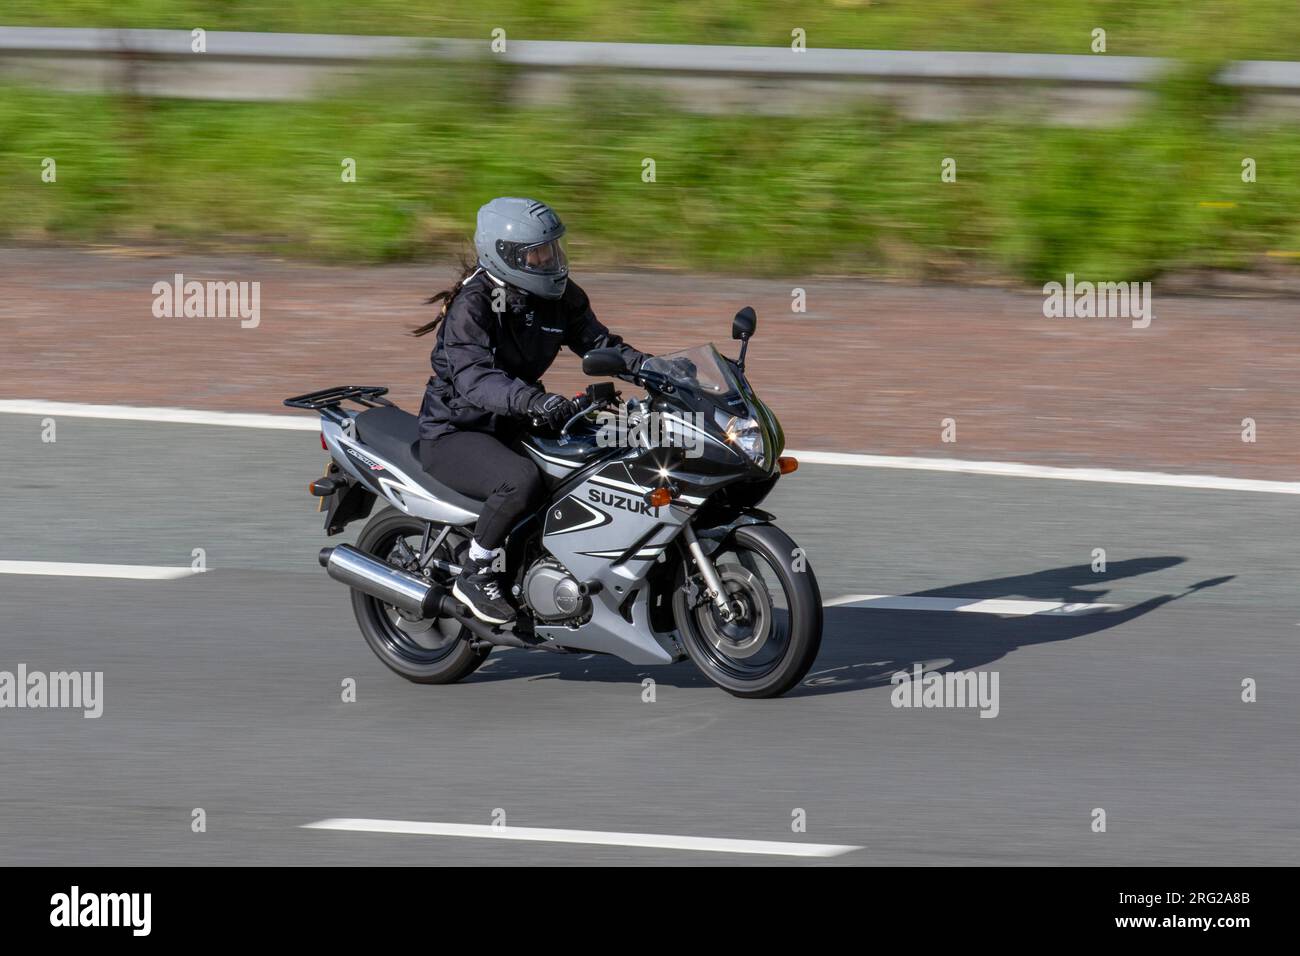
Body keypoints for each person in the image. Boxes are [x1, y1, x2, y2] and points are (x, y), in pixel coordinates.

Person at [411, 197, 649, 625]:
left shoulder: (561, 297)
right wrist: (534, 401)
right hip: (457, 429)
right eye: (537, 254)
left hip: (519, 420)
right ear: (502, 255)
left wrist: (654, 369)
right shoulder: (474, 305)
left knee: (603, 456)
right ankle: (477, 570)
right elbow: (475, 380)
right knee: (519, 481)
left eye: (553, 249)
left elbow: (600, 345)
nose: (550, 261)